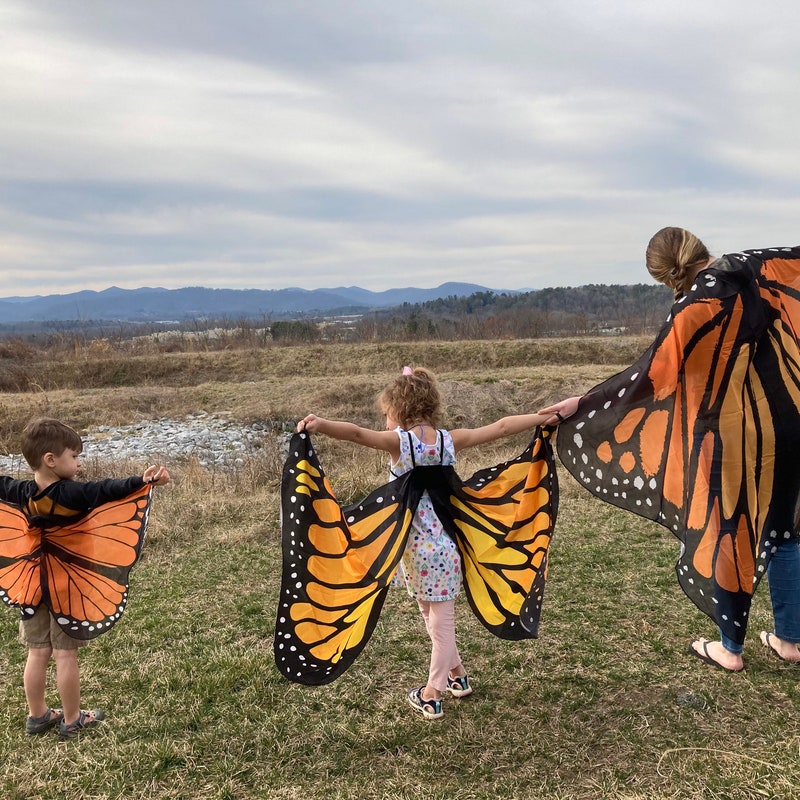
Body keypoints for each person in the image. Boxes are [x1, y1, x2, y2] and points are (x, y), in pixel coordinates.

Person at [540, 228, 800, 672]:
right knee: (787, 528)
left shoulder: (693, 305)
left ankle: (730, 648)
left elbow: (648, 377)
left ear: (664, 277)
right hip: (790, 421)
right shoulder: (758, 266)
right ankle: (791, 640)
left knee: (729, 526)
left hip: (731, 435)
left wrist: (582, 404)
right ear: (699, 245)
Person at [294, 367, 553, 719]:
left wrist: (320, 424)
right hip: (445, 549)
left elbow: (355, 433)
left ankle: (432, 693)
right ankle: (458, 677)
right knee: (434, 618)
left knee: (440, 624)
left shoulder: (400, 444)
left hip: (419, 550)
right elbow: (502, 427)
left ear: (399, 409)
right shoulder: (449, 440)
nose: (385, 421)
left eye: (386, 414)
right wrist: (543, 416)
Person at [0, 417, 171, 739]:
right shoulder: (71, 494)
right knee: (65, 653)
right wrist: (143, 481)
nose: (79, 463)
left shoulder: (19, 492)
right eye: (74, 456)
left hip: (30, 585)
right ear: (51, 460)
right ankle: (72, 718)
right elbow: (105, 490)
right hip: (67, 586)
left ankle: (37, 716)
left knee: (37, 652)